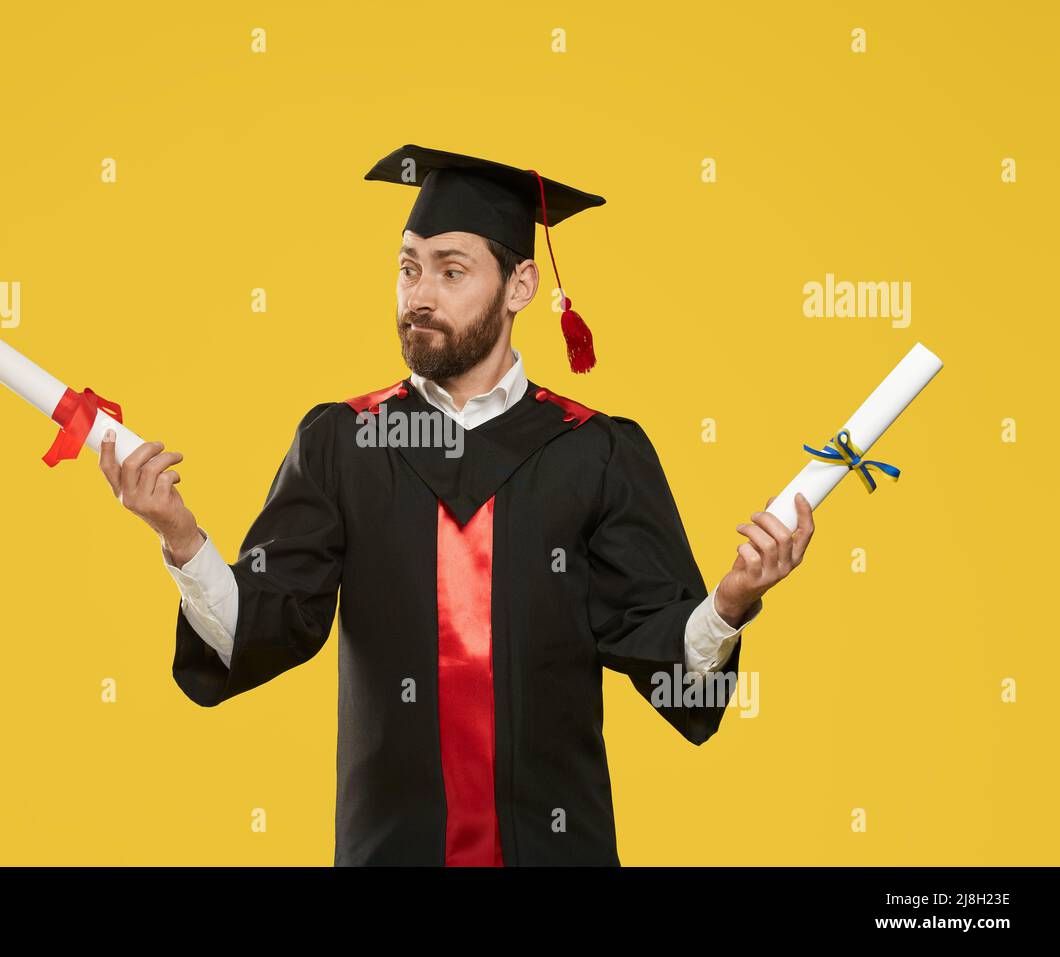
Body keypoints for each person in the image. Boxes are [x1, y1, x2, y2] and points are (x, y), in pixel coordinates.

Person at [97, 144, 815, 866]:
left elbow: (663, 655)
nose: (419, 295)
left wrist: (729, 601)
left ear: (520, 285)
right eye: (408, 267)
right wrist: (183, 540)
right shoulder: (344, 442)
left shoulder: (596, 451)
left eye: (451, 269)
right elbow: (266, 623)